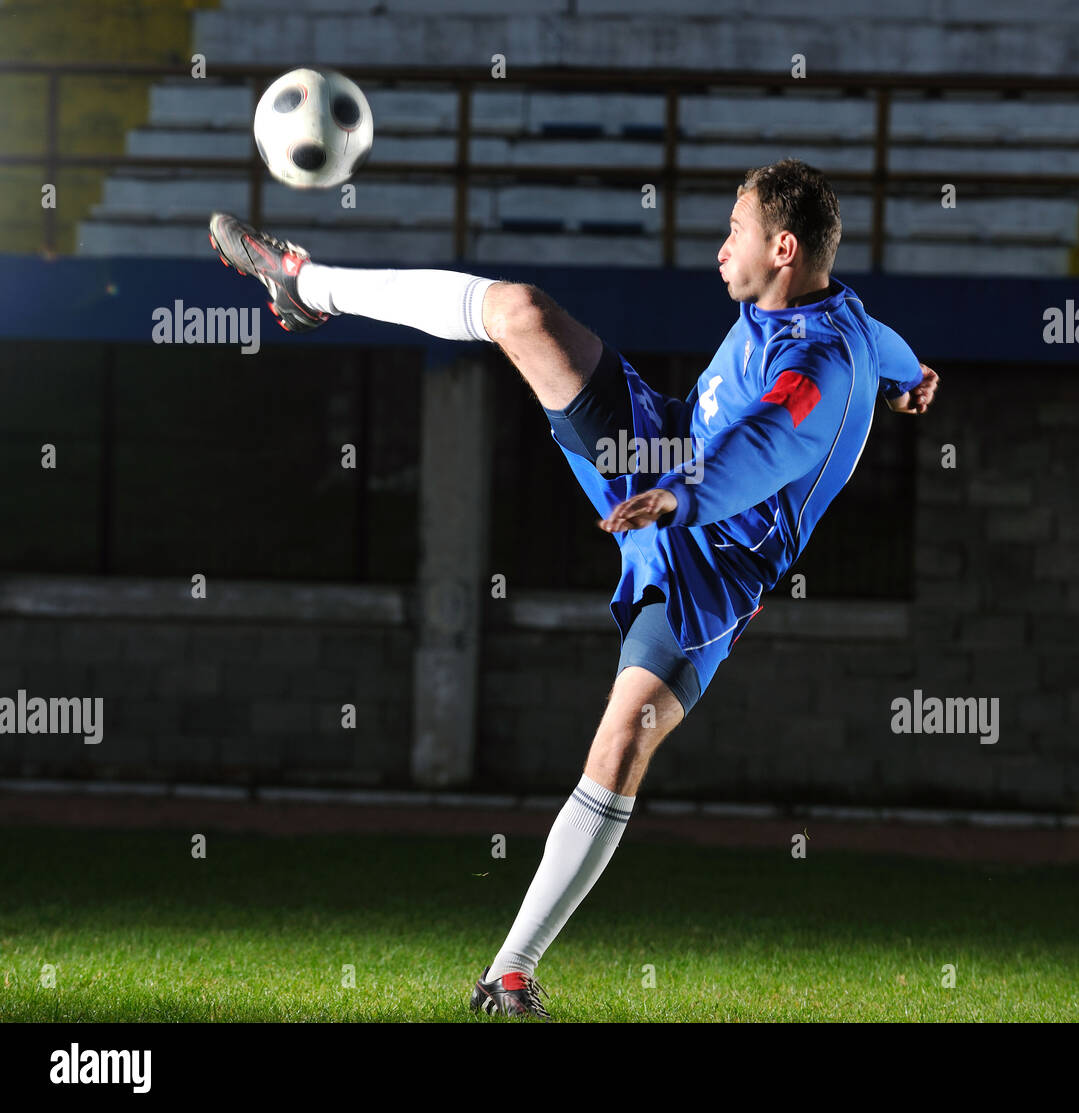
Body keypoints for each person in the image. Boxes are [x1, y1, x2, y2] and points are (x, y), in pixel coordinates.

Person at [208, 157, 939, 1020]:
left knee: (624, 739)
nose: (718, 250)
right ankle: (309, 284)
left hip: (712, 554)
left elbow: (770, 444)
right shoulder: (839, 314)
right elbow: (882, 340)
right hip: (657, 451)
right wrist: (915, 375)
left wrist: (687, 495)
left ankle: (509, 972)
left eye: (732, 232)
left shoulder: (817, 365)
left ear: (782, 247)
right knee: (520, 312)